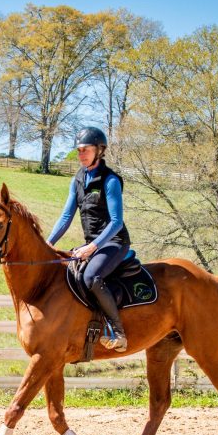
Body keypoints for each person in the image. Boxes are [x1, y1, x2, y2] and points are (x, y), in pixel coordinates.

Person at [47, 126, 132, 352]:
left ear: (99, 150)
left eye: (86, 150)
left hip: (114, 241)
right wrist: (48, 243)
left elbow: (116, 222)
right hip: (92, 244)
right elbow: (66, 216)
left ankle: (118, 332)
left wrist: (91, 247)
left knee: (91, 276)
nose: (81, 154)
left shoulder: (110, 180)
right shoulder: (78, 180)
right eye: (79, 150)